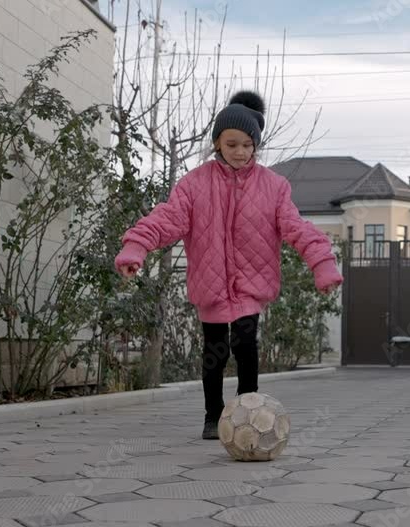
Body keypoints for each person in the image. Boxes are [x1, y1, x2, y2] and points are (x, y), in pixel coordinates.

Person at [114, 90, 343, 440]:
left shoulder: (273, 187)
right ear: (217, 143)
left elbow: (296, 228)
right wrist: (136, 246)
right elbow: (167, 219)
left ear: (255, 146)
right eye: (232, 144)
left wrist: (322, 264)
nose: (240, 152)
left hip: (251, 284)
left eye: (247, 145)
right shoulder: (194, 184)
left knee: (246, 346)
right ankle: (213, 415)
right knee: (215, 353)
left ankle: (248, 411)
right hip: (212, 284)